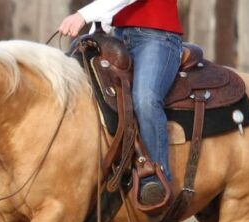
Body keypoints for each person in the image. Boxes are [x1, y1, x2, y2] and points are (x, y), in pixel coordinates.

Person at [58, 0, 183, 206]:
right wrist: (100, 24)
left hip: (158, 37)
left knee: (145, 99)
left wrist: (84, 14)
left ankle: (157, 179)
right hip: (117, 37)